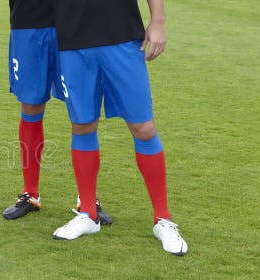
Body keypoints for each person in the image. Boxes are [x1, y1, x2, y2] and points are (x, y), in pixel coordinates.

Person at [50, 0, 189, 256]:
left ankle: (163, 219)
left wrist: (157, 22)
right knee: (82, 125)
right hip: (72, 38)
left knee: (143, 128)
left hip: (122, 36)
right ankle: (88, 214)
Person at [2, 0, 114, 224]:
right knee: (31, 105)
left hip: (76, 22)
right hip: (28, 19)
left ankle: (88, 199)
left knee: (82, 111)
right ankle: (30, 193)